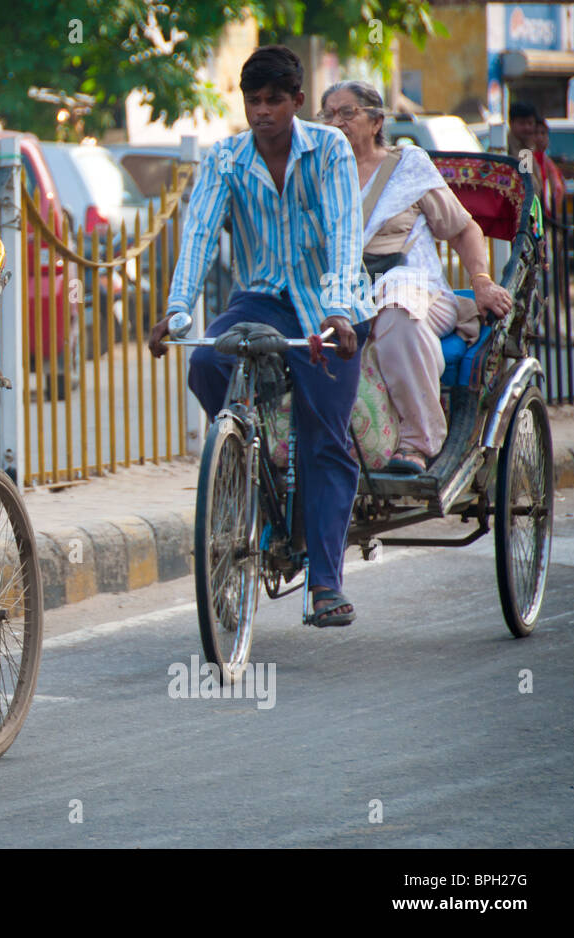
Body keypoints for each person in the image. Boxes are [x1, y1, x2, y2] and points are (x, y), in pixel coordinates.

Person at [147, 45, 372, 628]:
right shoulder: (225, 159)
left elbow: (347, 234)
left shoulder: (329, 150)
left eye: (275, 100)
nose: (263, 111)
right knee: (205, 364)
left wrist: (340, 310)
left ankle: (324, 583)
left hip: (330, 305)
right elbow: (196, 237)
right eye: (254, 100)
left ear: (298, 102)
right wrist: (176, 315)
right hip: (260, 300)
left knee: (324, 438)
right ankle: (250, 459)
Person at [318, 81, 513, 475]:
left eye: (347, 113)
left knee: (396, 310)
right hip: (345, 292)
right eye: (328, 114)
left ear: (375, 122)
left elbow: (464, 230)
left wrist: (480, 281)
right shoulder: (319, 174)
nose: (335, 122)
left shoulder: (408, 166)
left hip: (417, 290)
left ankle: (419, 442)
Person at [532, 119, 566, 214]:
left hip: (549, 216)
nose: (540, 137)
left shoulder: (548, 162)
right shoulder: (529, 159)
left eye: (543, 133)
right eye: (536, 133)